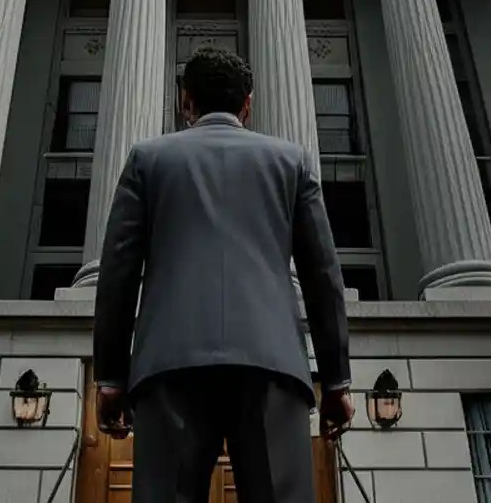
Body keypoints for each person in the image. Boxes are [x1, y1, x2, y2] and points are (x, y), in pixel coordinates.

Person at [93, 47, 353, 503]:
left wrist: (111, 377)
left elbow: (117, 274)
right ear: (247, 104)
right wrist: (335, 382)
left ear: (185, 101)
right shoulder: (291, 161)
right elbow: (322, 278)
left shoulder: (146, 159)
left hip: (170, 365)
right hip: (272, 365)